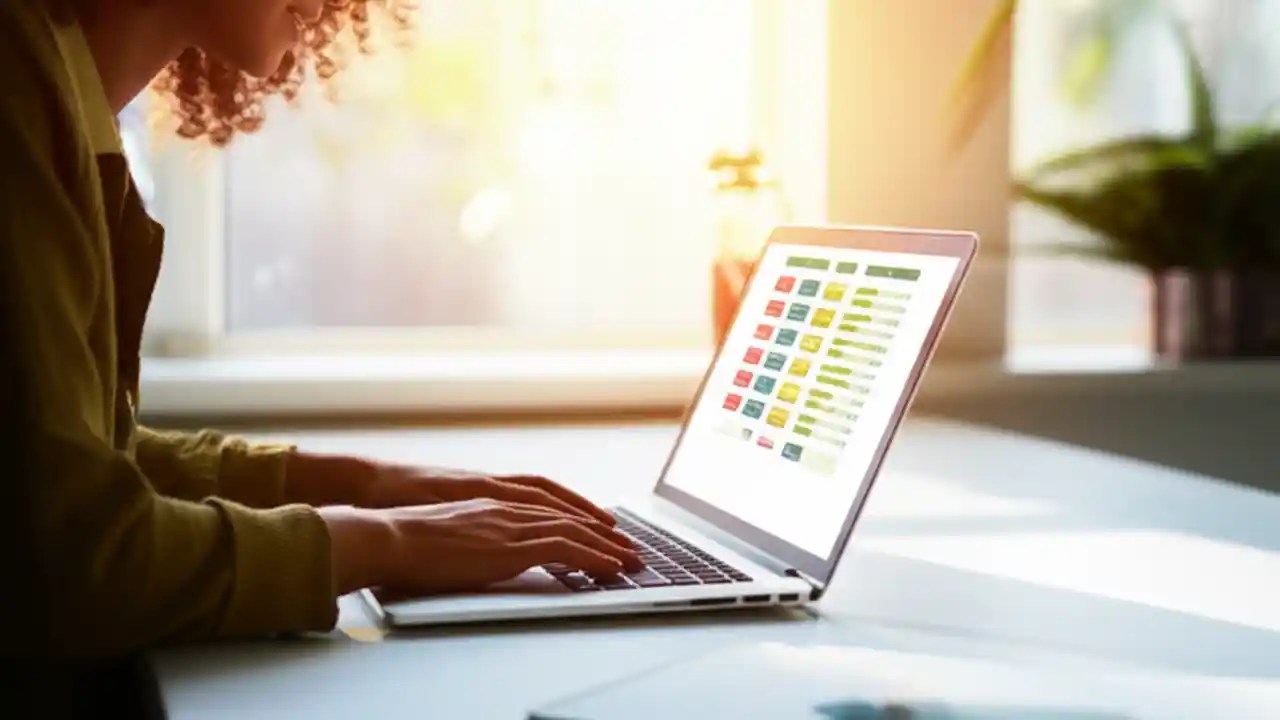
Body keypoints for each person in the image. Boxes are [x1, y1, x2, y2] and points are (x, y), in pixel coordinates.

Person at [0, 0, 643, 662]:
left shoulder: (60, 95)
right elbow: (86, 562)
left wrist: (366, 485)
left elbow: (85, 462)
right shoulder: (16, 94)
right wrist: (388, 540)